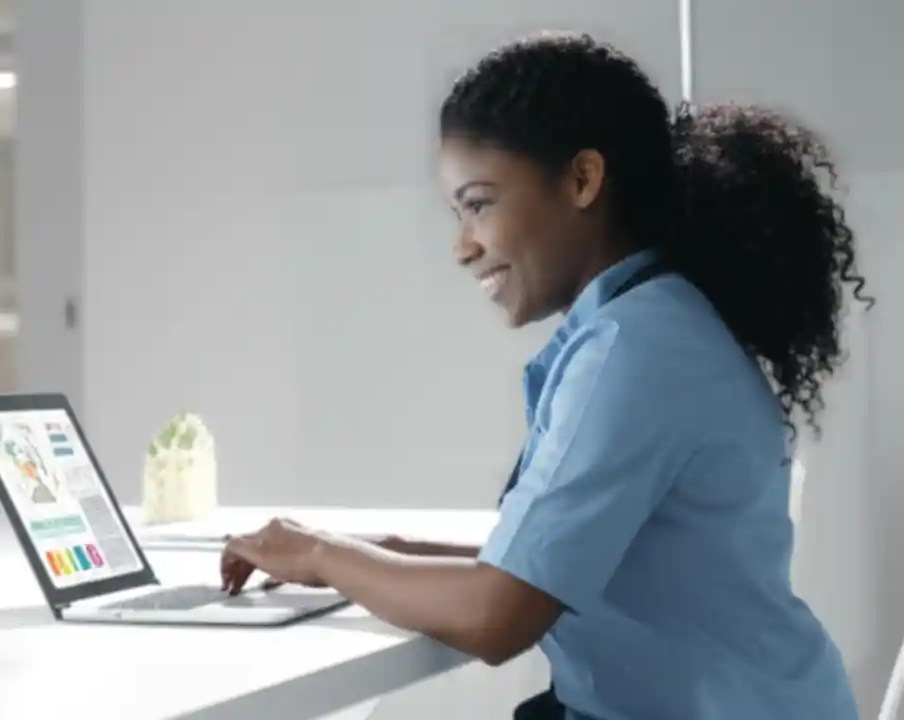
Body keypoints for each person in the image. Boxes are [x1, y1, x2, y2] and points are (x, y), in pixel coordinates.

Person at [218, 32, 869, 720]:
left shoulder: (633, 350)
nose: (462, 246)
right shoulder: (655, 322)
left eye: (479, 203)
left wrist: (321, 555)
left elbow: (499, 617)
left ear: (583, 180)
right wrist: (383, 554)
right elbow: (571, 558)